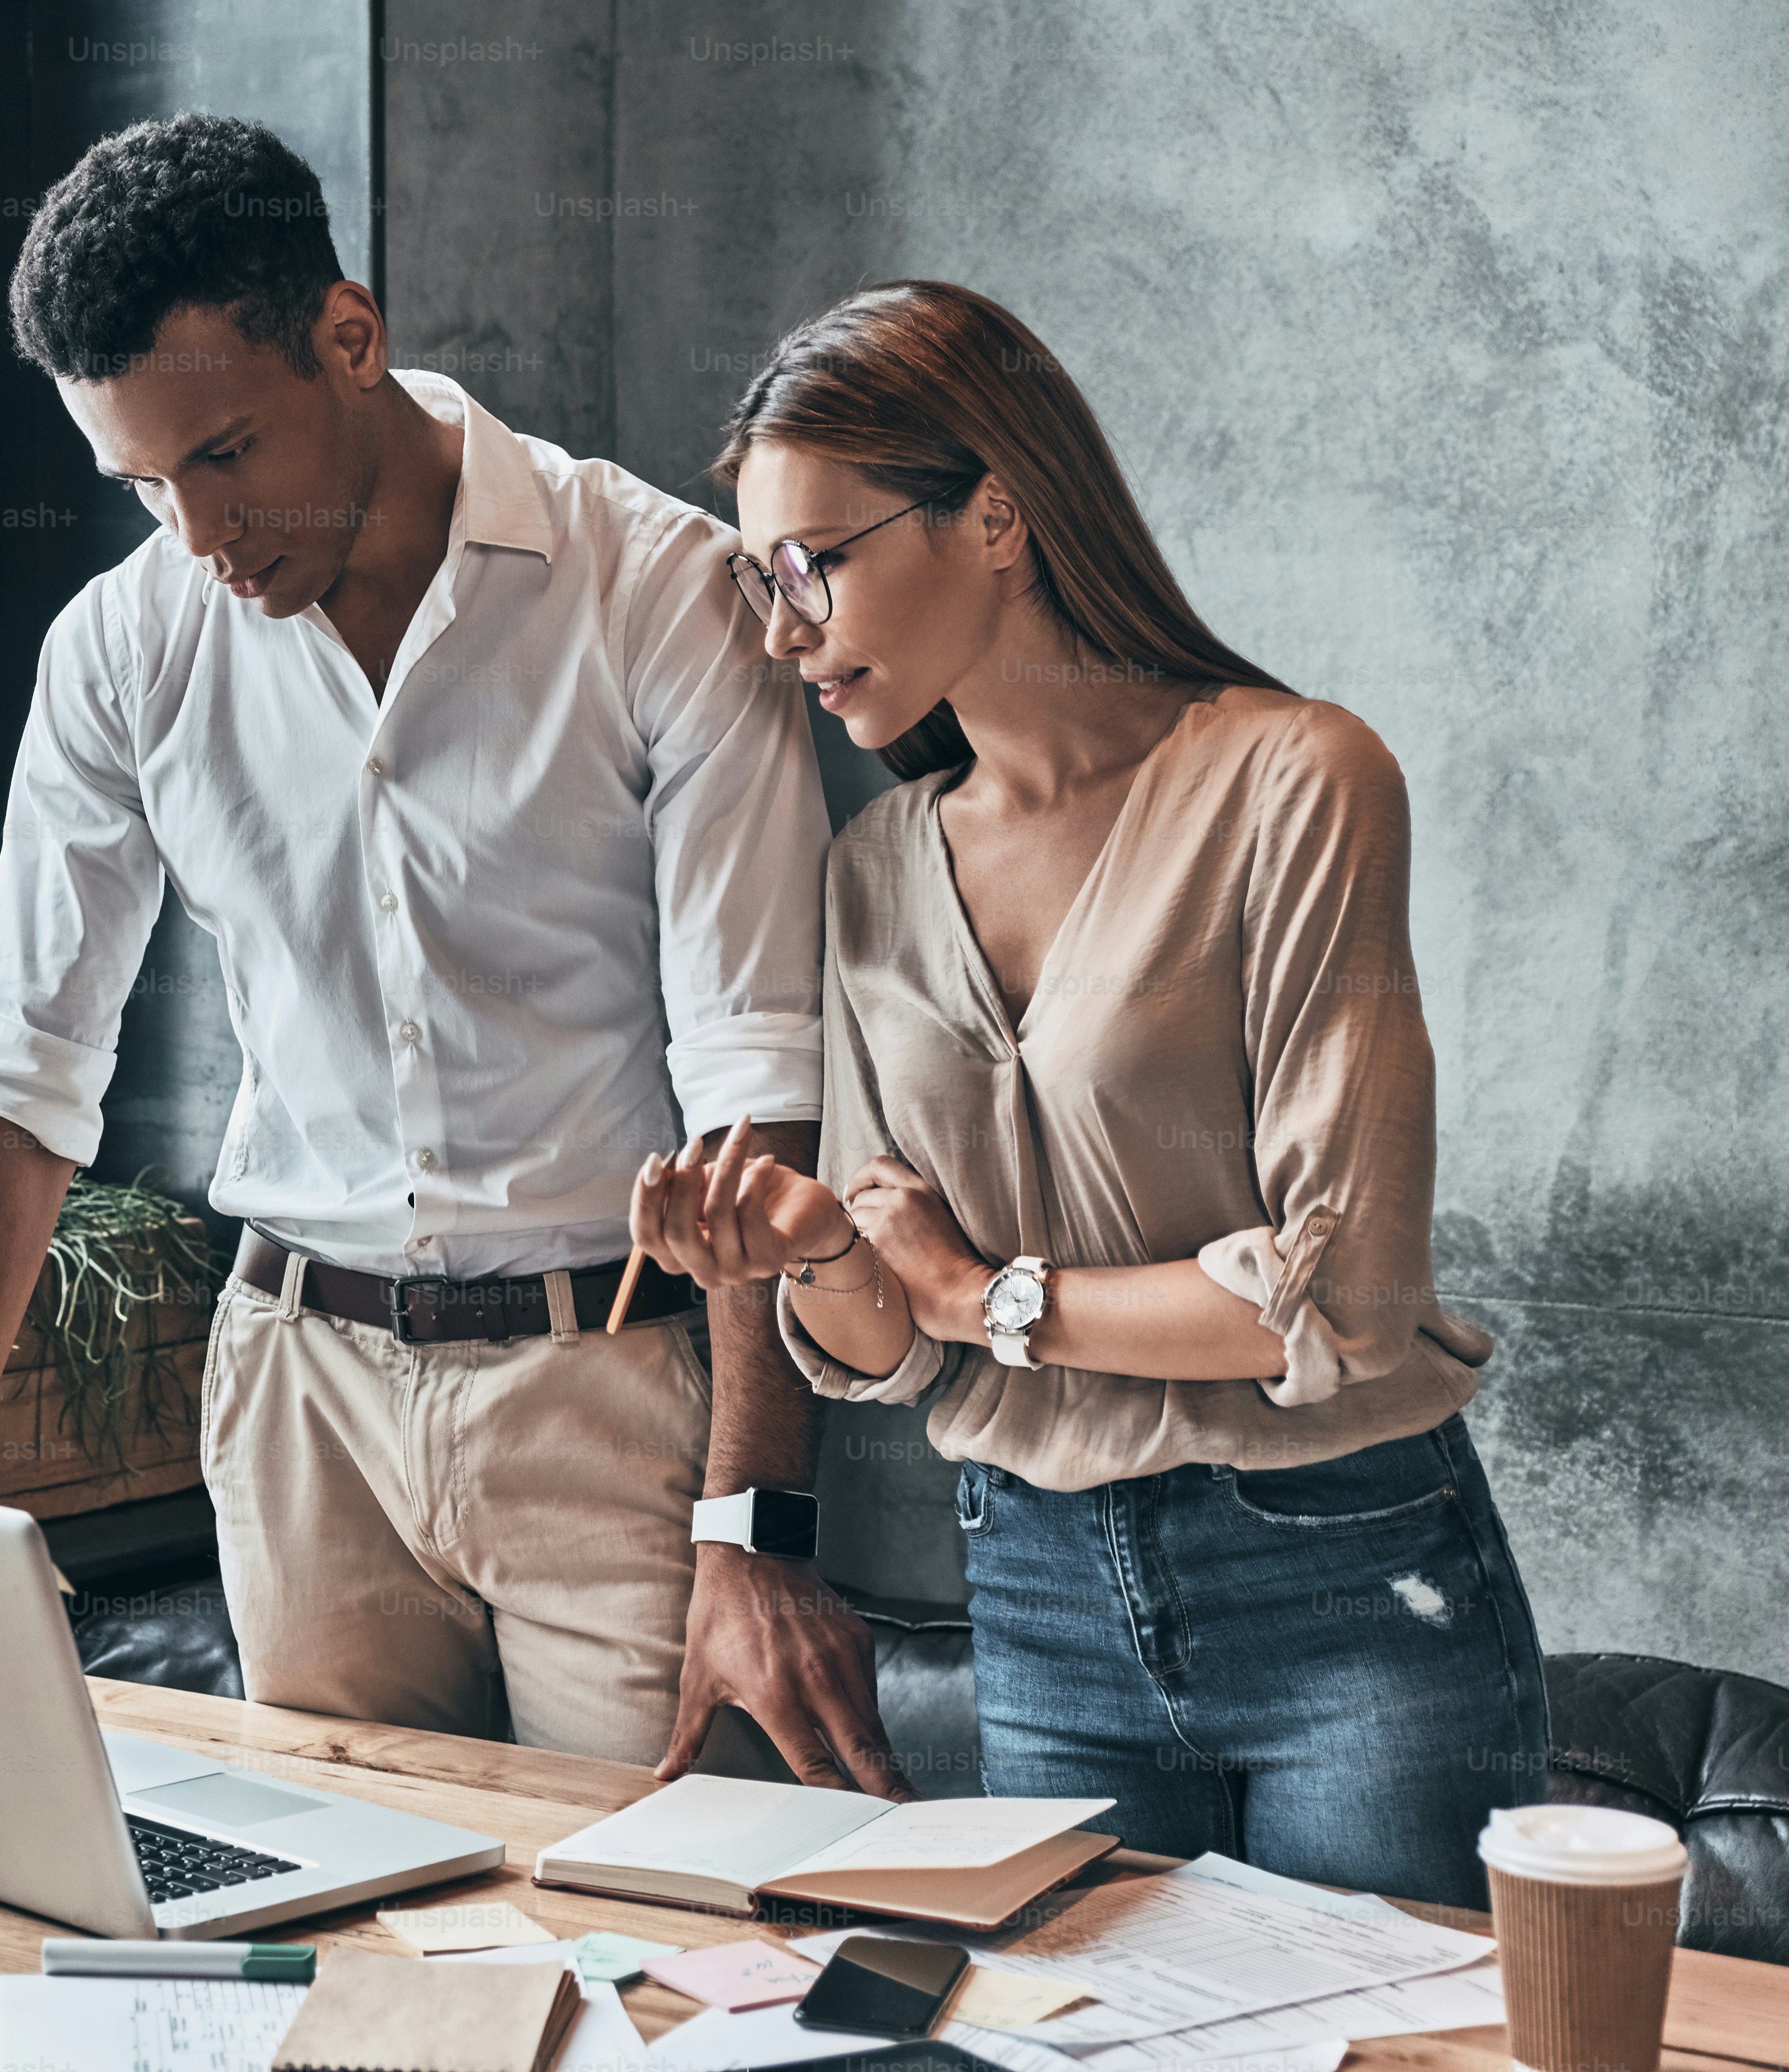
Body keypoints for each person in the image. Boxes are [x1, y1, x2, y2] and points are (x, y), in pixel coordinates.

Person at [0, 113, 909, 1789]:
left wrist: (753, 1521)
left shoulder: (655, 592)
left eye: (226, 456)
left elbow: (755, 1087)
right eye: (141, 484)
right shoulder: (126, 648)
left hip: (605, 1385)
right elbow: (17, 1074)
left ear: (351, 338)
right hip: (294, 1394)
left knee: (653, 1953)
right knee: (341, 1964)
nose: (197, 538)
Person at [633, 280, 1546, 1908]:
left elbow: (1334, 1295)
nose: (781, 633)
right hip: (1038, 1591)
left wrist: (980, 1294)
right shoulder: (873, 867)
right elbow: (879, 1348)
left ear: (995, 509)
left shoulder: (1298, 778)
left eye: (809, 566)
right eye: (754, 580)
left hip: (1337, 1580)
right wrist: (799, 1256)